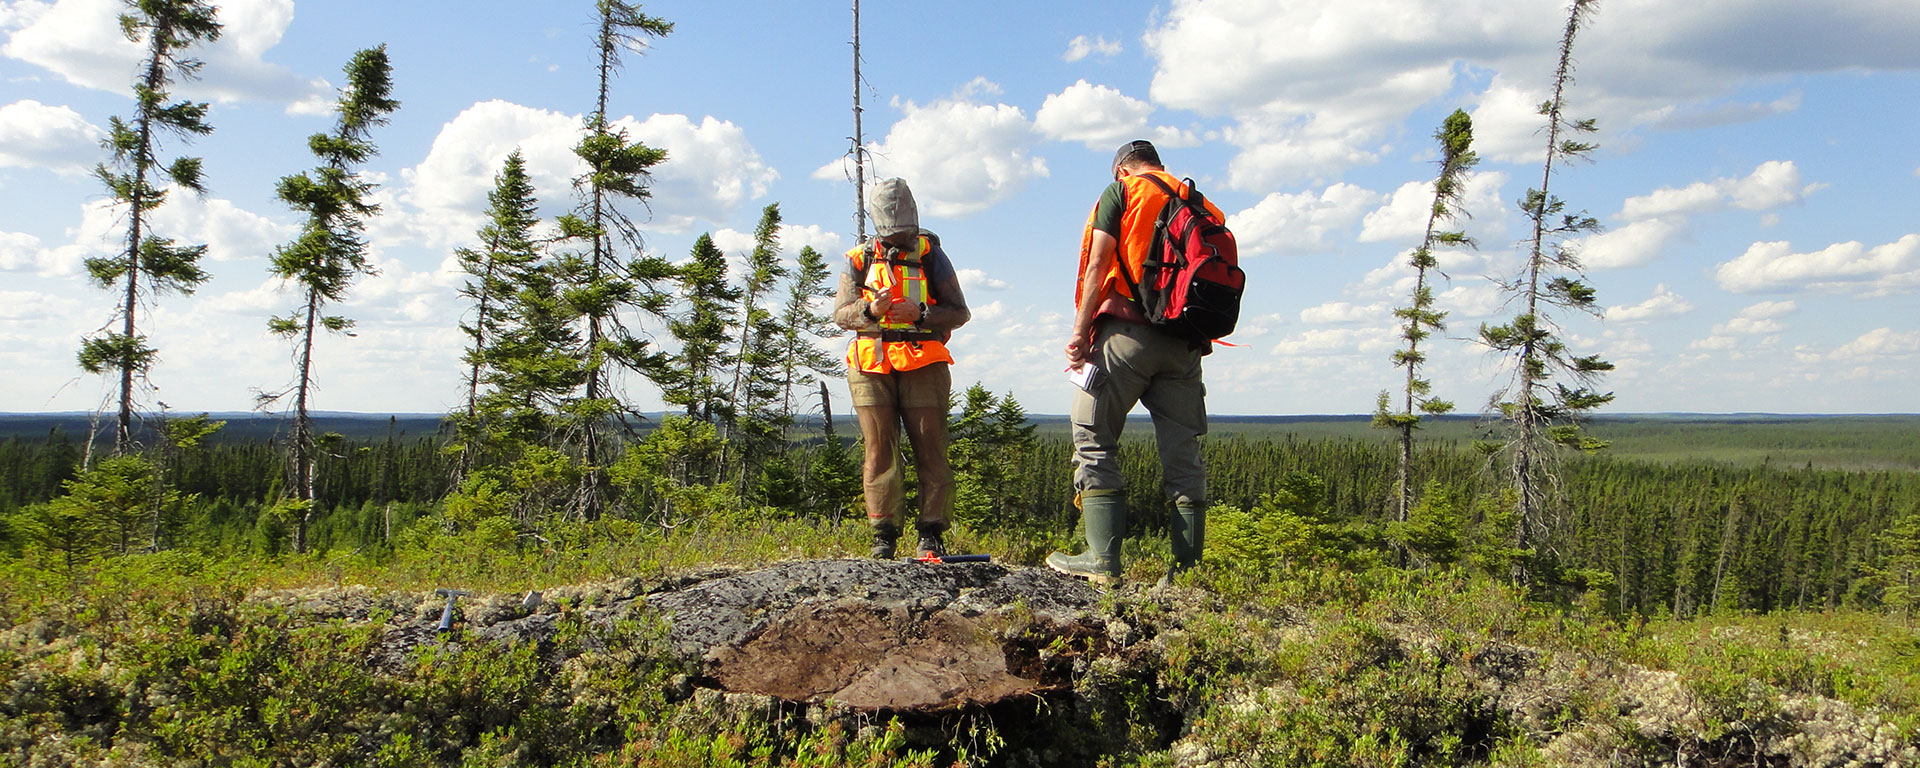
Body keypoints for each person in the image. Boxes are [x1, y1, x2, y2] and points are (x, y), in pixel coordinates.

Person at [1048, 140, 1219, 584]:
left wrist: (1080, 331)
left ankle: (1101, 559)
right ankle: (1186, 573)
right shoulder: (1198, 202)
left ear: (1121, 168)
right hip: (1184, 344)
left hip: (1126, 335)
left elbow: (1098, 264)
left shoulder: (1122, 192)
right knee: (1184, 454)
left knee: (1092, 435)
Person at [833, 178, 971, 559]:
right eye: (895, 234)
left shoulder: (931, 255)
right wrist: (869, 310)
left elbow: (960, 311)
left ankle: (931, 532)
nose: (901, 239)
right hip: (871, 363)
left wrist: (922, 313)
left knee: (931, 447)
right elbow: (841, 314)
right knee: (878, 450)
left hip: (923, 360)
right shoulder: (858, 258)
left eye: (906, 232)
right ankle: (884, 534)